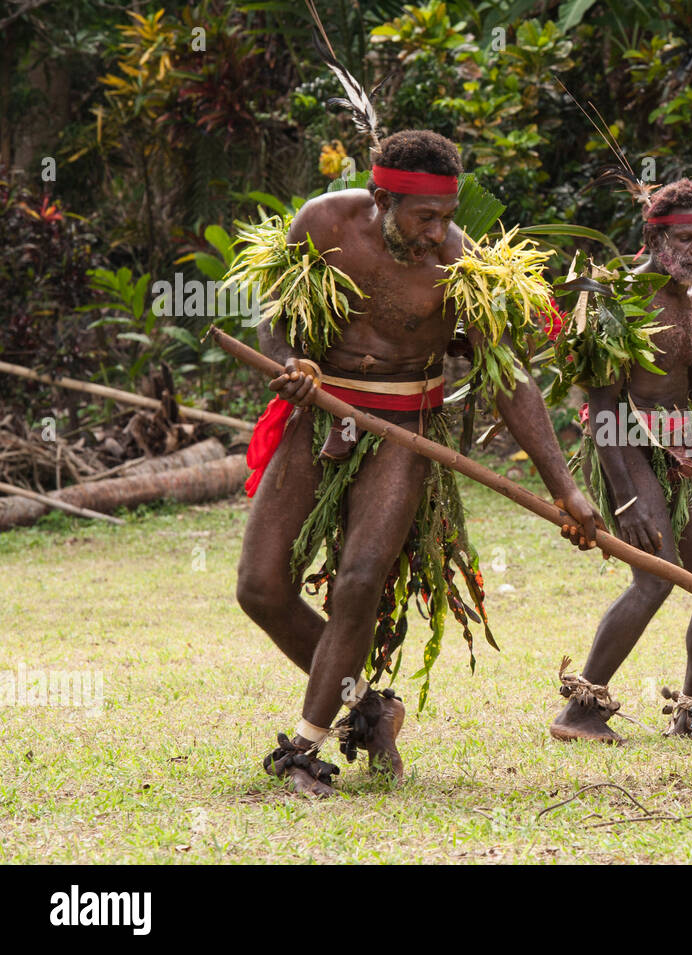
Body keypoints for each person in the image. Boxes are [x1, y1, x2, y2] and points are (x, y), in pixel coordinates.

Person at [236, 129, 600, 795]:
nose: (439, 233)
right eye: (424, 217)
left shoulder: (462, 269)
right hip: (318, 417)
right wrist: (290, 362)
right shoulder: (322, 224)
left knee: (360, 579)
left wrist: (567, 489)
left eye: (448, 216)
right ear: (380, 199)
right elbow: (276, 318)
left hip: (403, 429)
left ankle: (307, 750)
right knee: (259, 587)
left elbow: (509, 379)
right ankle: (370, 710)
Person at [549, 179, 692, 744]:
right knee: (655, 577)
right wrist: (626, 496)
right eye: (687, 238)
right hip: (625, 441)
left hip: (685, 445)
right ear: (655, 239)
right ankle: (581, 709)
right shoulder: (617, 300)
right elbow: (600, 406)